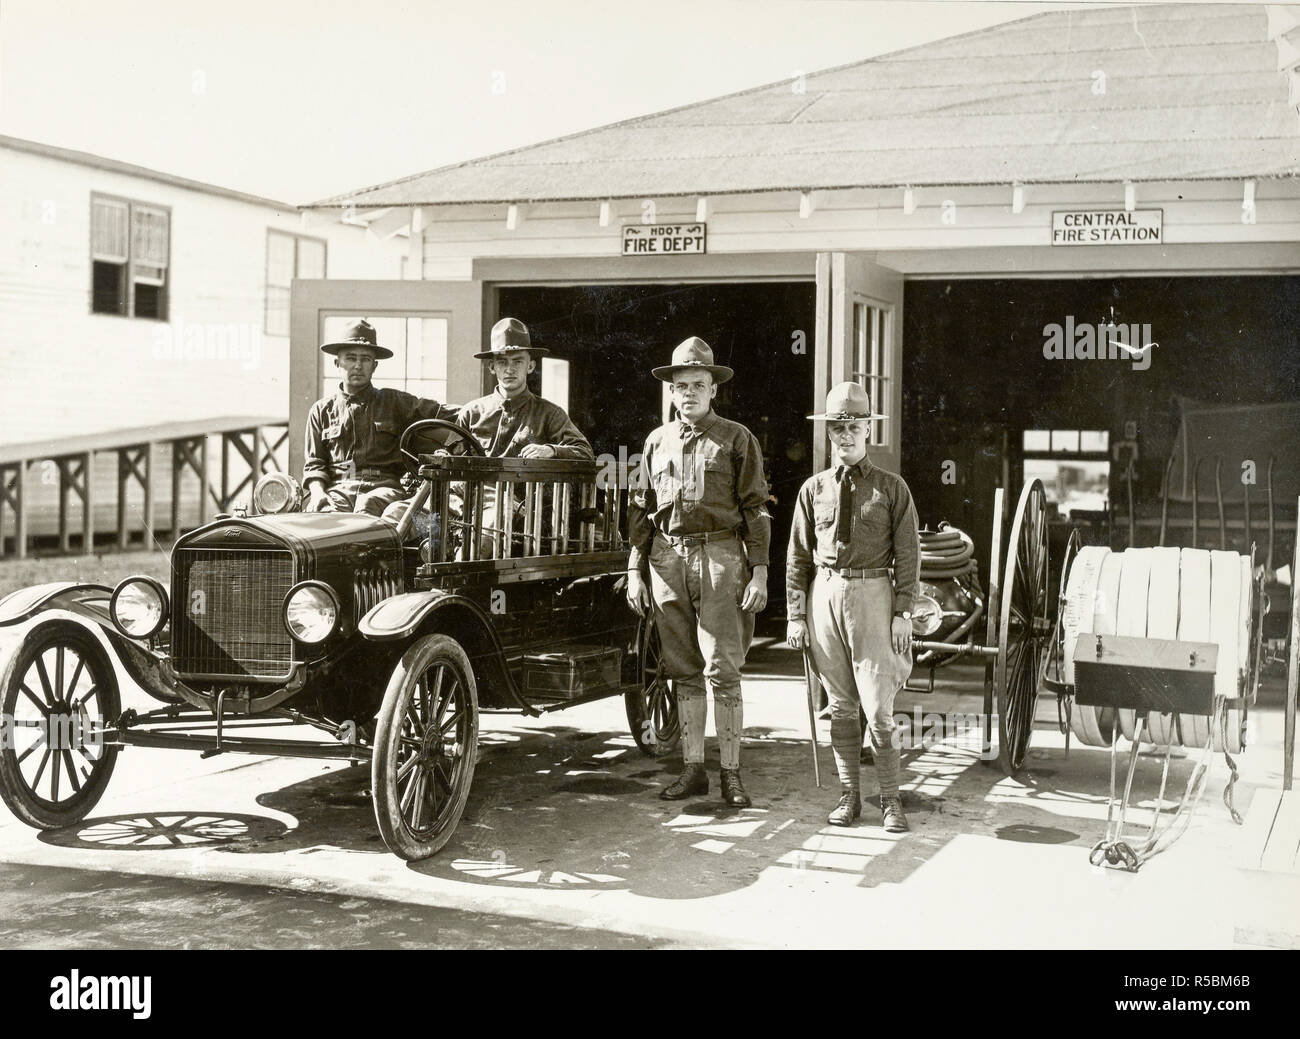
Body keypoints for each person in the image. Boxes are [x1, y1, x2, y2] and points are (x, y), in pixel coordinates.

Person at [626, 337, 770, 807]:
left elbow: (755, 508)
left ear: (714, 390)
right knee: (682, 668)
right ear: (671, 391)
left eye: (698, 385)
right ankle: (693, 770)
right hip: (666, 560)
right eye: (681, 385)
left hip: (721, 558)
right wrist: (635, 568)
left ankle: (730, 773)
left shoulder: (736, 438)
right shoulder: (655, 441)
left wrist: (761, 572)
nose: (689, 393)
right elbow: (641, 509)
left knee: (722, 668)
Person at [785, 382, 920, 832]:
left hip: (874, 597)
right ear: (829, 433)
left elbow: (909, 556)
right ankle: (849, 797)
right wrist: (795, 614)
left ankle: (891, 800)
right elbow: (797, 557)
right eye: (837, 428)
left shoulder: (891, 489)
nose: (845, 436)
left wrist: (903, 612)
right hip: (825, 596)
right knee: (841, 706)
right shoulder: (813, 489)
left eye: (853, 427)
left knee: (878, 707)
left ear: (869, 430)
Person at [303, 319, 458, 515]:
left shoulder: (396, 402)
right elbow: (314, 465)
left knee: (367, 505)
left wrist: (485, 410)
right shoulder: (321, 411)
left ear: (374, 366)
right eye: (351, 358)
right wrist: (317, 494)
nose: (358, 366)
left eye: (365, 359)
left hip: (384, 489)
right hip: (338, 491)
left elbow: (450, 413)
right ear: (337, 363)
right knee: (324, 518)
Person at [455, 317, 593, 460]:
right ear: (492, 367)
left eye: (518, 361)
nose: (510, 370)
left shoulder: (550, 414)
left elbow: (585, 452)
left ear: (530, 366)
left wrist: (551, 450)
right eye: (502, 362)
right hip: (480, 483)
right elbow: (449, 455)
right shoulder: (471, 413)